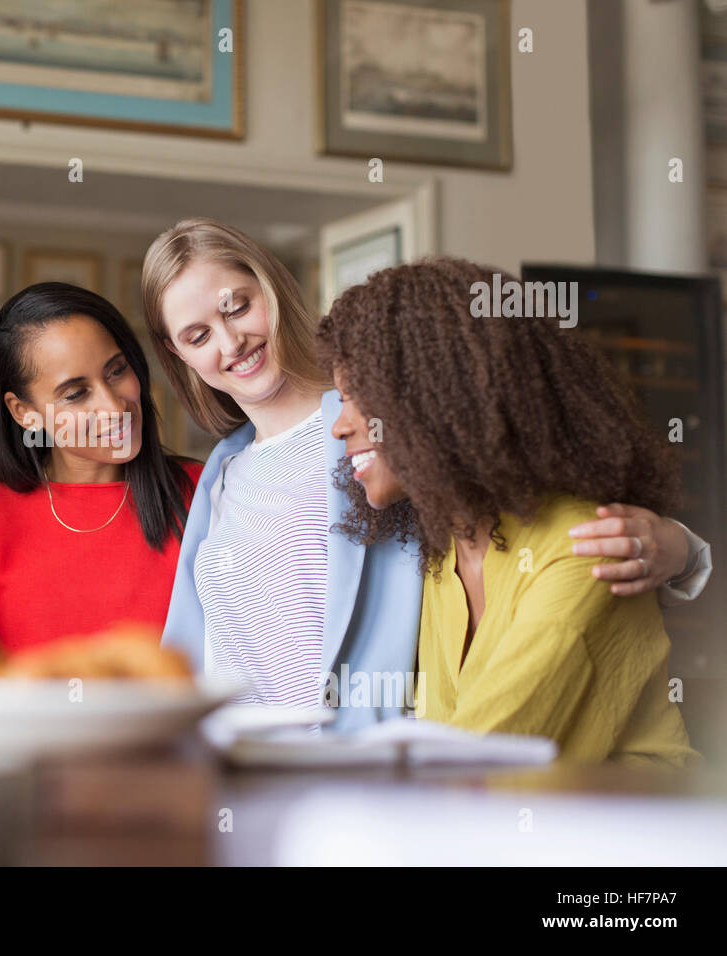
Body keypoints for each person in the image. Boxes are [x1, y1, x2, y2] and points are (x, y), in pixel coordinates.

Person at [141, 219, 712, 728]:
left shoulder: (389, 428)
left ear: (270, 288)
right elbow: (205, 650)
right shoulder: (221, 472)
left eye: (238, 306)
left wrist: (681, 549)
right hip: (248, 775)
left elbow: (529, 529)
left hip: (365, 774)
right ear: (178, 355)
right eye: (198, 335)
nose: (231, 340)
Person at [318, 258, 697, 764]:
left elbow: (473, 760)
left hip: (629, 835)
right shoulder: (441, 549)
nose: (338, 426)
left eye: (357, 398)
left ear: (440, 397)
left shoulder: (587, 547)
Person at [0, 283, 201, 652]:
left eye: (116, 370)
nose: (113, 407)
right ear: (24, 413)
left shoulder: (202, 490)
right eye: (76, 394)